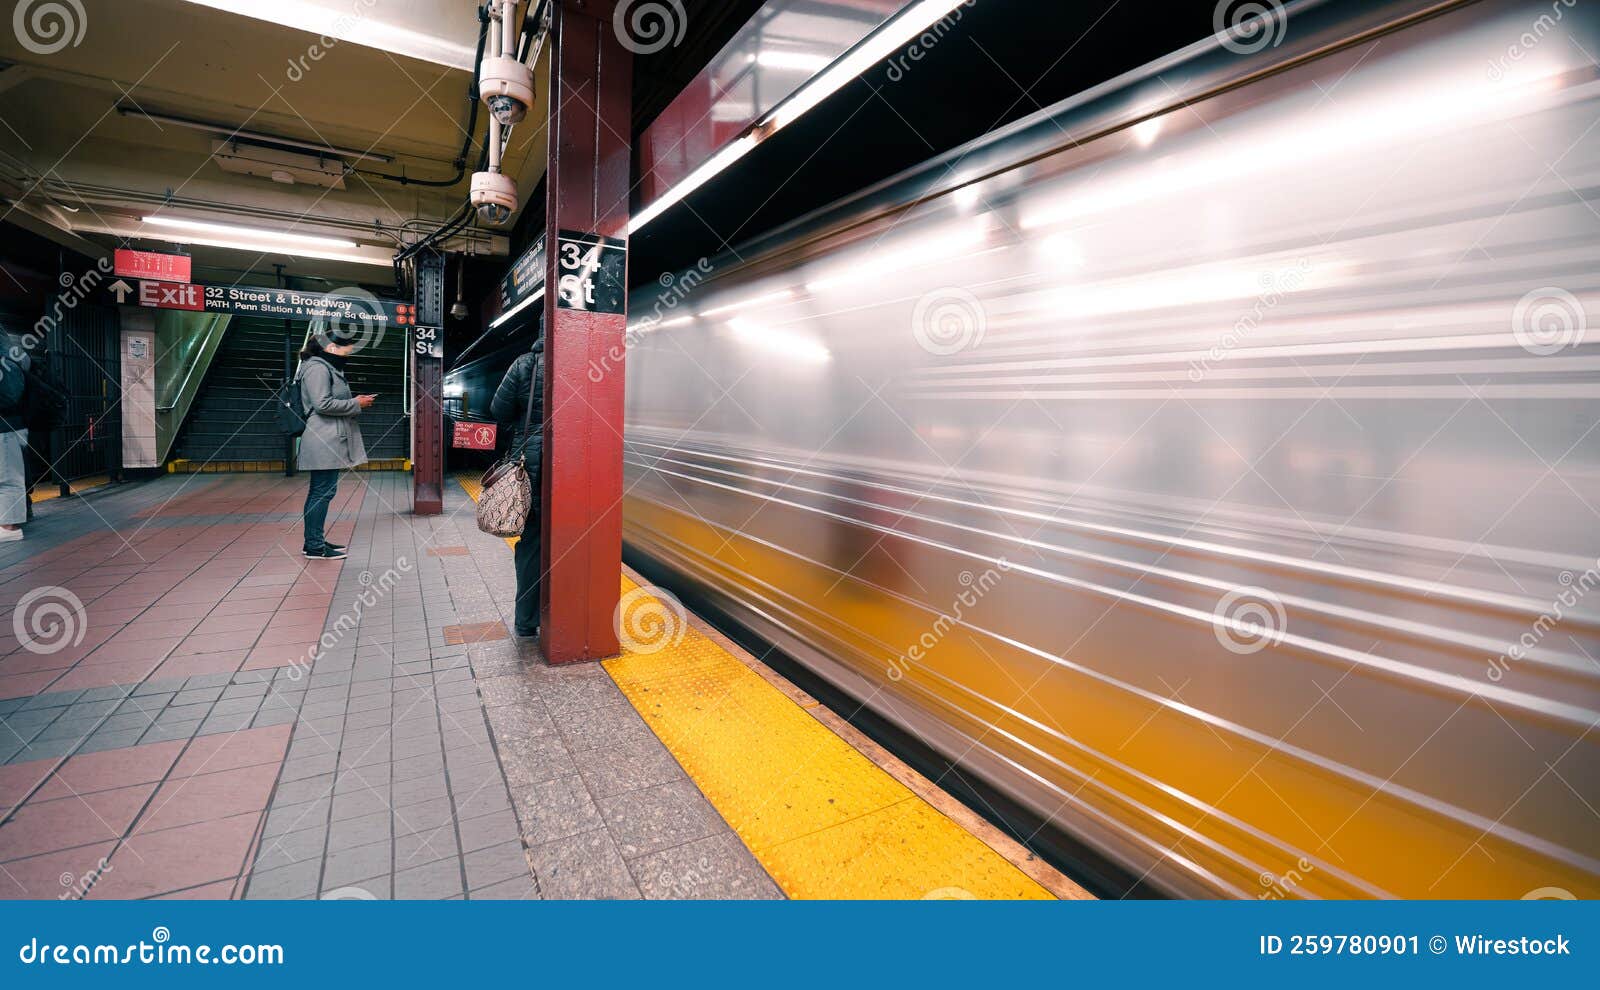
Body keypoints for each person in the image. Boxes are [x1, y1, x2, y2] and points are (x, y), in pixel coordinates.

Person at [297, 329, 375, 559]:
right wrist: (356, 403)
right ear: (331, 348)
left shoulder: (323, 366)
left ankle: (314, 541)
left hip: (328, 436)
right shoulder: (318, 368)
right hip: (323, 437)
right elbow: (322, 404)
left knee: (322, 491)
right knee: (322, 492)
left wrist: (354, 402)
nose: (347, 356)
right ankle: (314, 547)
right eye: (345, 351)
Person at [490, 337, 544, 637]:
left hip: (531, 466)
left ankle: (527, 620)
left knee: (533, 542)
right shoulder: (584, 357)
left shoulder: (525, 363)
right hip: (571, 467)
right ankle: (563, 612)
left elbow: (498, 410)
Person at [0, 329, 30, 543]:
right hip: (12, 426)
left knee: (8, 477)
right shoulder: (16, 353)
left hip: (5, 428)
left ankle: (9, 527)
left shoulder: (7, 359)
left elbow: (8, 396)